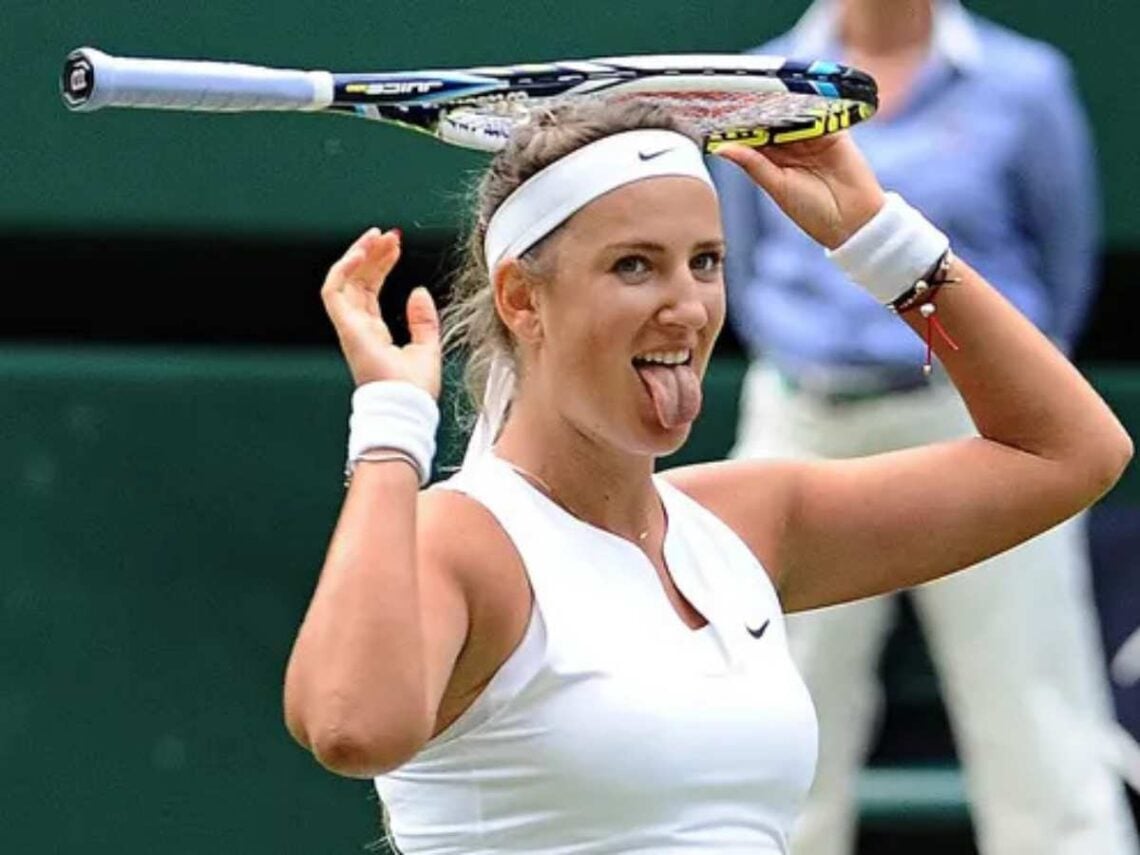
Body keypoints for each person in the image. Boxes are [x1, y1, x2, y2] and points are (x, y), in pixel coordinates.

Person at [280, 97, 1132, 854]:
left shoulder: (745, 523)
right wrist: (391, 427)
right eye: (634, 265)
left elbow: (1071, 452)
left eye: (707, 262)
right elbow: (351, 726)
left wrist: (875, 235)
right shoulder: (463, 537)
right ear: (522, 298)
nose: (687, 307)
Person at [708, 1, 1140, 854]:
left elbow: (1063, 266)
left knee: (1035, 703)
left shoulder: (1027, 85)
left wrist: (988, 379)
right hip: (803, 417)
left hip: (976, 423)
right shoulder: (761, 84)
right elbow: (744, 265)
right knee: (778, 709)